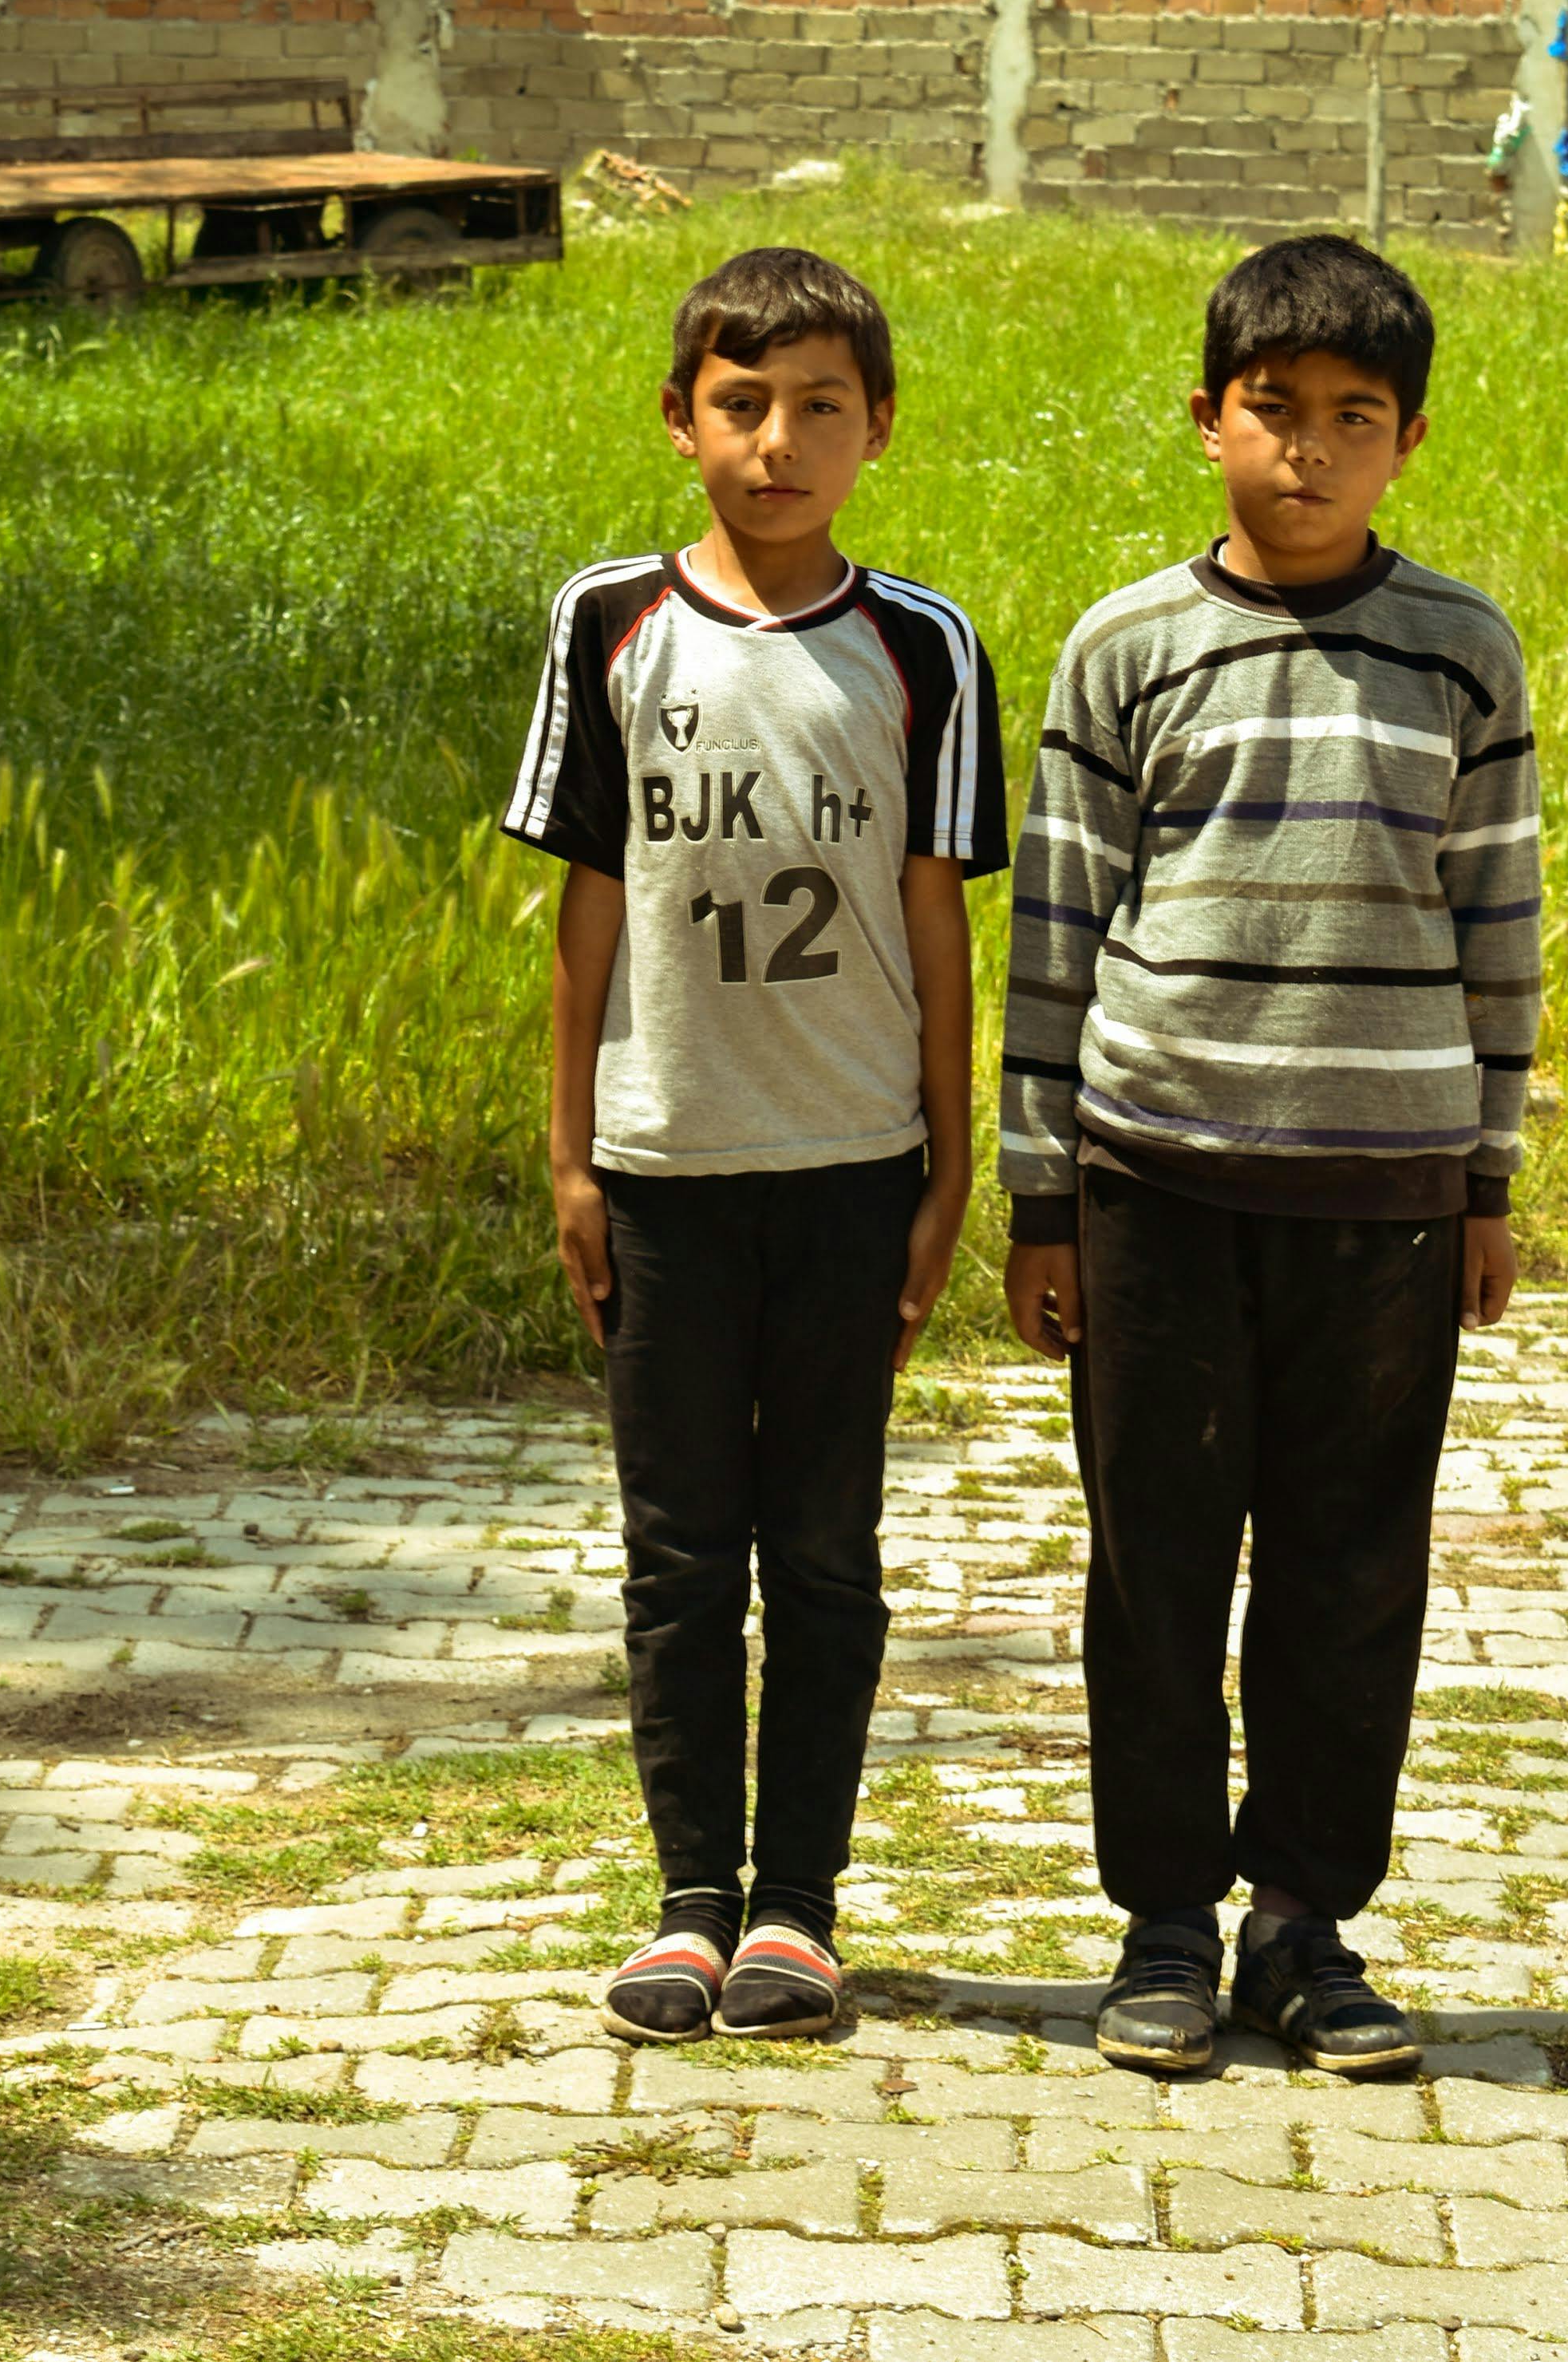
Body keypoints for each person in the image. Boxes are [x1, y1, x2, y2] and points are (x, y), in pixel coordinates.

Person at [1002, 232, 1536, 2082]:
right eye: (1272, 410)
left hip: (1383, 1198)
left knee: (1348, 1565)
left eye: (1352, 419)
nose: (1307, 450)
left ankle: (1303, 1922)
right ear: (1207, 416)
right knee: (1157, 1557)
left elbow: (1498, 922)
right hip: (1156, 1176)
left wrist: (1487, 1179)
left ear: (1405, 440)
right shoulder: (1125, 646)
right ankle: (1157, 1922)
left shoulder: (1460, 650)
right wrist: (1039, 1191)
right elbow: (1057, 928)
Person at [505, 243, 1007, 2043]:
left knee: (822, 1551)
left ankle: (799, 1906)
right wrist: (570, 1155)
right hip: (661, 1170)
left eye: (817, 407)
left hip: (853, 1167)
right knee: (677, 1552)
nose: (776, 442)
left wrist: (951, 1175)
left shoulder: (923, 645)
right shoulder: (606, 625)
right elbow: (584, 906)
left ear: (876, 427)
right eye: (740, 403)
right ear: (678, 417)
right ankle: (686, 1900)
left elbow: (939, 926)